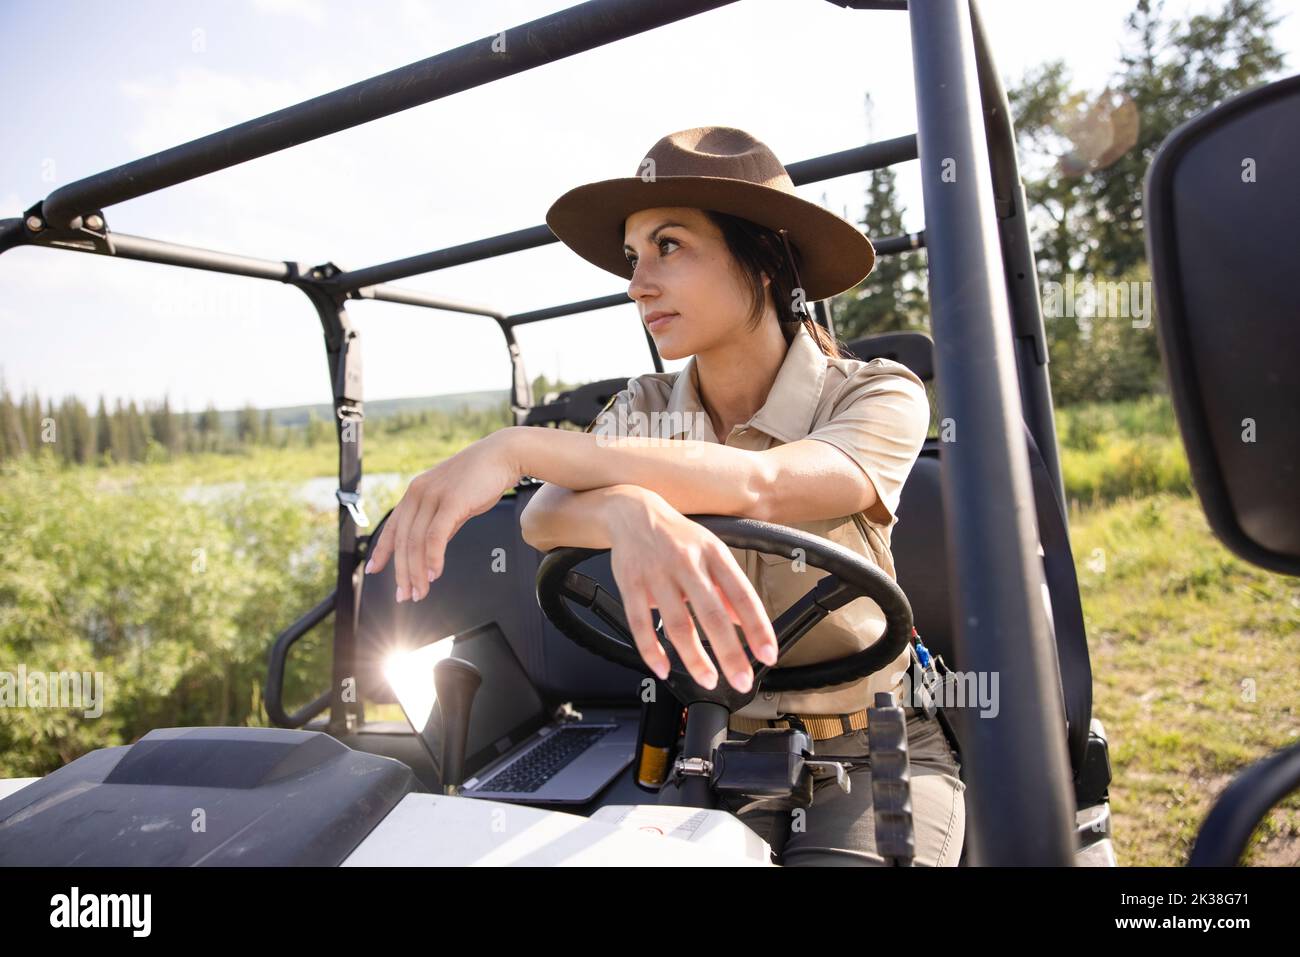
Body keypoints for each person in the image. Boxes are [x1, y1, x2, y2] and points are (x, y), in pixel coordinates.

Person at [364, 125, 964, 866]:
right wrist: (629, 509)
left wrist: (515, 446)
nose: (636, 282)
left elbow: (768, 484)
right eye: (633, 255)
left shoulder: (877, 392)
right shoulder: (645, 405)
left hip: (876, 747)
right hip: (723, 743)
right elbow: (545, 516)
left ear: (766, 256)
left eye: (669, 246)